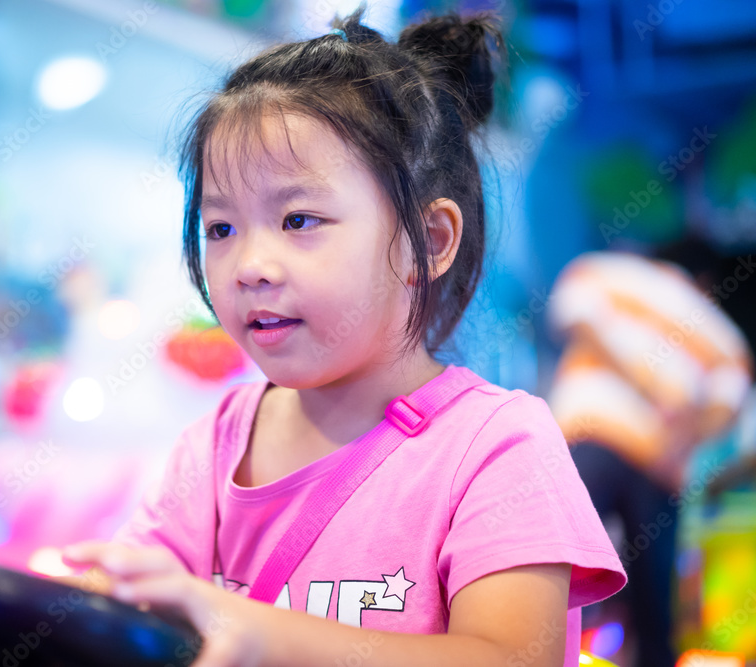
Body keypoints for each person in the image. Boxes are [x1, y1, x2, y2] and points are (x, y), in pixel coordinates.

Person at [61, 6, 626, 666]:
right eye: (221, 229)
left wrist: (258, 634)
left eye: (299, 219)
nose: (250, 267)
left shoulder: (497, 445)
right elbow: (136, 604)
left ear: (430, 242)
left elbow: (511, 657)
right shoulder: (216, 445)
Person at [544, 245, 753, 667]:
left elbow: (571, 311)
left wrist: (634, 371)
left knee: (557, 559)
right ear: (706, 284)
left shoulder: (604, 270)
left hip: (589, 436)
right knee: (655, 600)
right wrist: (679, 416)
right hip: (657, 462)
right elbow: (729, 398)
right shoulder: (718, 328)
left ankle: (544, 649)